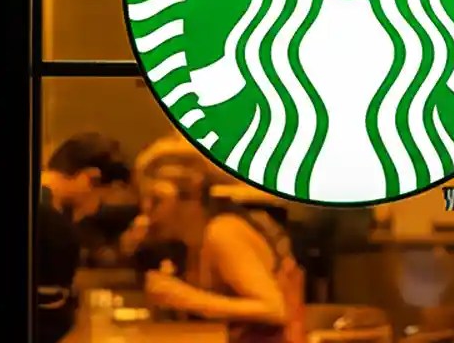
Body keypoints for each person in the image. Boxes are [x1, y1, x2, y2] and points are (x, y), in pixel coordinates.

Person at [134, 157, 306, 343]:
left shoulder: (223, 233)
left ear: (191, 200)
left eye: (157, 201)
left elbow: (274, 309)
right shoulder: (192, 242)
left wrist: (187, 298)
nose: (147, 212)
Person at [37, 133, 132, 343]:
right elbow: (49, 319)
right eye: (103, 196)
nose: (97, 207)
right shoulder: (51, 224)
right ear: (90, 177)